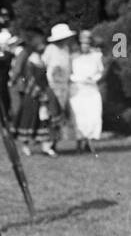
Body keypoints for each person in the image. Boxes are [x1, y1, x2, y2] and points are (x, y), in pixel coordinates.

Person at [10, 28, 59, 157]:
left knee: (44, 118)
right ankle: (25, 145)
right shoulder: (25, 53)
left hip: (43, 90)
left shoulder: (41, 54)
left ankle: (46, 145)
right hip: (30, 91)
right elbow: (18, 70)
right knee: (28, 118)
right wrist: (17, 82)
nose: (41, 41)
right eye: (39, 38)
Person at [69, 29, 104, 153]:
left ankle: (90, 143)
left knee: (92, 116)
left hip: (91, 90)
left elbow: (100, 71)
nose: (85, 45)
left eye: (87, 42)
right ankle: (79, 143)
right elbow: (69, 73)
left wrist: (93, 79)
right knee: (79, 116)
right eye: (82, 42)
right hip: (77, 90)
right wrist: (79, 79)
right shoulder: (73, 57)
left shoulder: (96, 56)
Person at [44, 22, 76, 150]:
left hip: (64, 86)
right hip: (52, 85)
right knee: (51, 114)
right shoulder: (50, 49)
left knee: (60, 114)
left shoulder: (66, 50)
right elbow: (45, 66)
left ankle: (54, 142)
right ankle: (48, 143)